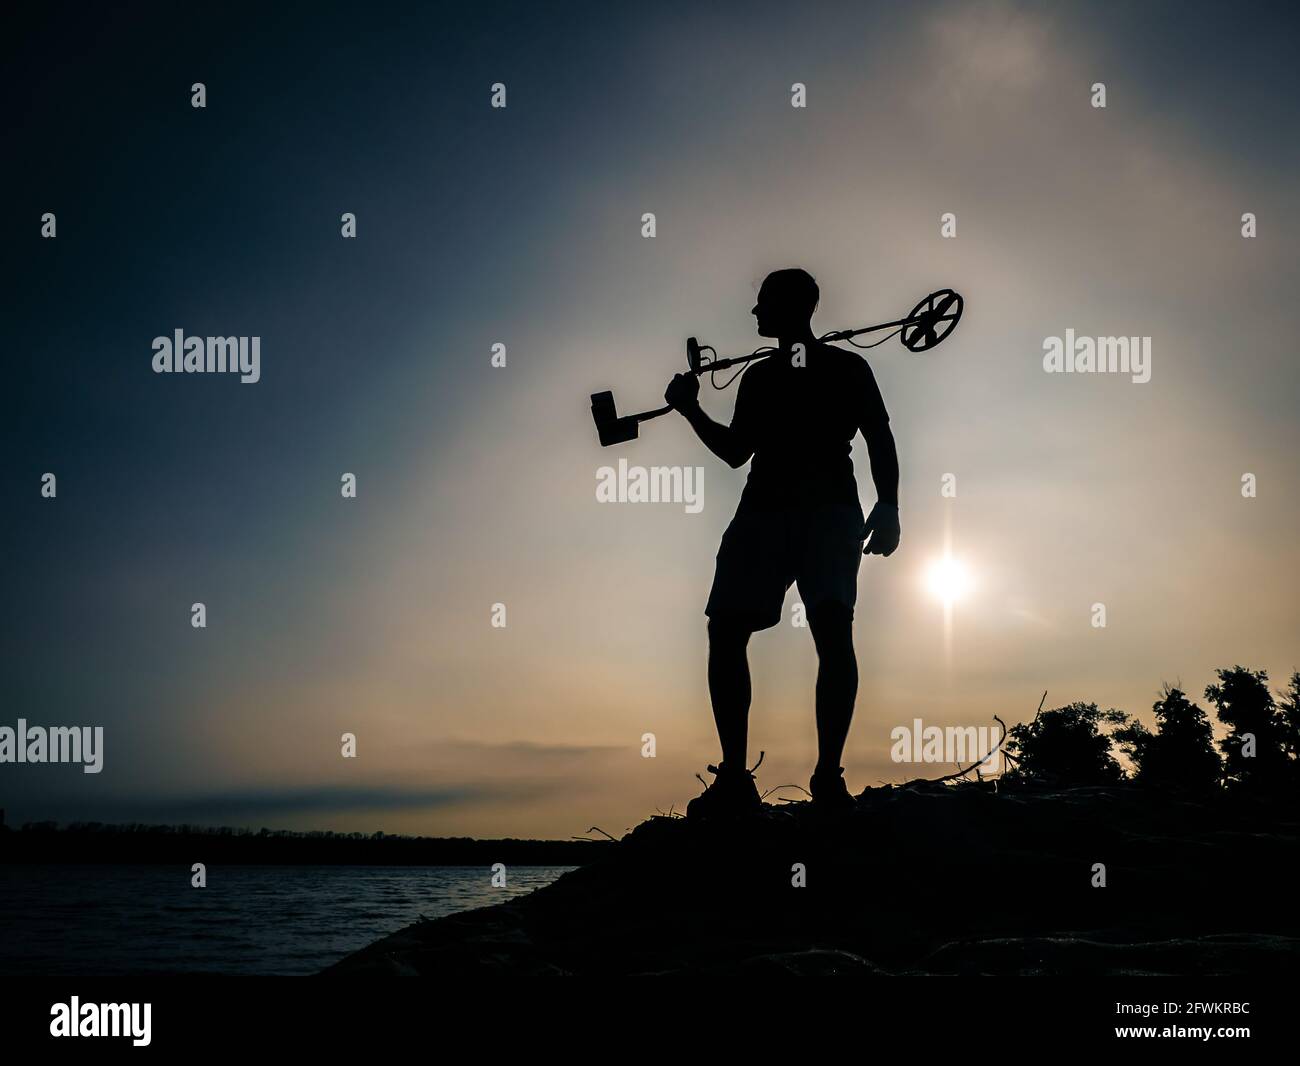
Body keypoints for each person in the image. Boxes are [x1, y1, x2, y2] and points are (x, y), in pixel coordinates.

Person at [664, 268, 900, 816]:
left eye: (762, 302)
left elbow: (877, 436)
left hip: (808, 512)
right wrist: (691, 409)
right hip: (778, 512)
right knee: (735, 629)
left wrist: (887, 505)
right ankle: (743, 778)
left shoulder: (832, 368)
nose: (754, 313)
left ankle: (820, 777)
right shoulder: (778, 375)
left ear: (790, 306)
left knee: (824, 631)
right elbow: (737, 450)